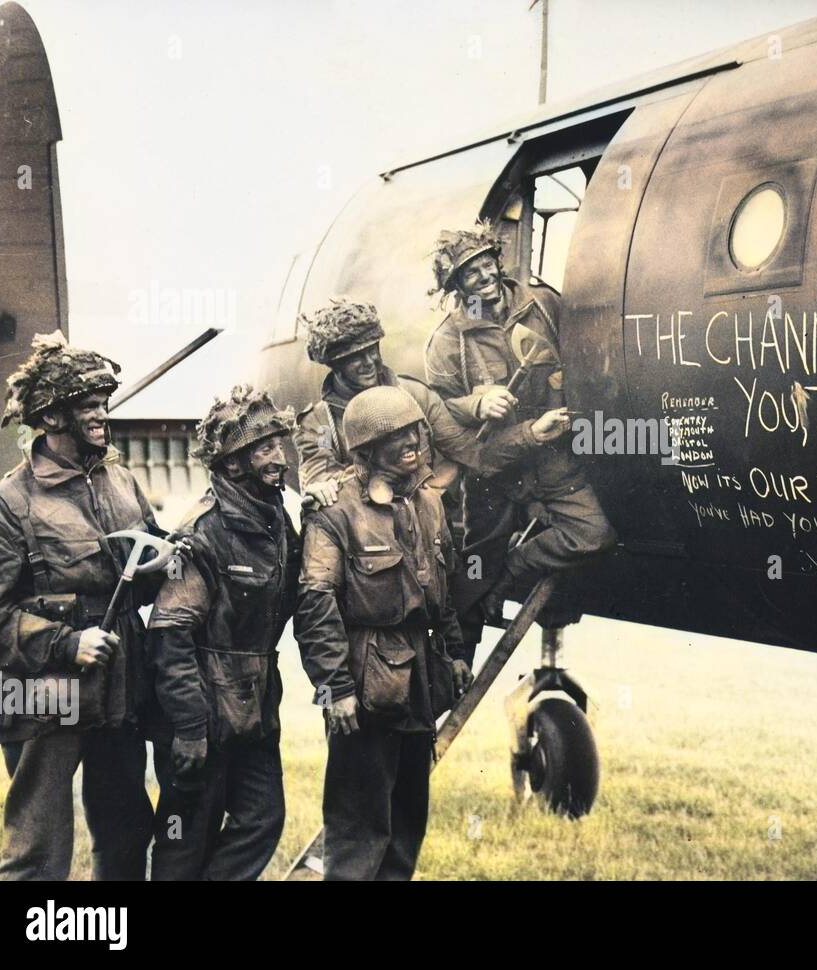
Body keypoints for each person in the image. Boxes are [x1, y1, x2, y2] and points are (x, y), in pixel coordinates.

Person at [0, 331, 159, 880]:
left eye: (104, 403)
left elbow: (143, 558)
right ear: (51, 419)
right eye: (88, 407)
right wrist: (65, 642)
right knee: (38, 848)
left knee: (128, 832)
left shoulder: (120, 479)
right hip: (41, 694)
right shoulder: (6, 506)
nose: (103, 415)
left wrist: (165, 560)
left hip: (118, 684)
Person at [293, 385, 471, 880]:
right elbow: (315, 605)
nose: (412, 442)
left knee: (407, 823)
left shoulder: (428, 502)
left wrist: (454, 652)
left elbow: (441, 588)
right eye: (395, 436)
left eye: (414, 430)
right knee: (358, 827)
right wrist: (337, 689)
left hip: (418, 682)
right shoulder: (336, 514)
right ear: (366, 451)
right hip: (365, 686)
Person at [423, 224, 615, 665]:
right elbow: (443, 415)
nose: (485, 276)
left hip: (553, 460)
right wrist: (478, 403)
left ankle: (515, 569)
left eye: (487, 263)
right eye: (471, 273)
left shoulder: (542, 304)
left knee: (594, 533)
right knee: (472, 576)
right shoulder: (446, 342)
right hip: (493, 474)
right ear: (457, 286)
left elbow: (583, 355)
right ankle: (454, 669)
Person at [147, 386, 299, 880]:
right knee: (184, 840)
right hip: (203, 712)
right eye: (264, 449)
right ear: (232, 465)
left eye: (279, 444)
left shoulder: (276, 518)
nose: (279, 457)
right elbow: (169, 635)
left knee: (263, 818)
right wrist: (190, 730)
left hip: (254, 709)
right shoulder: (202, 532)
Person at [293, 297, 570, 509]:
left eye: (372, 350)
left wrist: (530, 433)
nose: (369, 363)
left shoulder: (416, 396)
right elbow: (320, 476)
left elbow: (473, 453)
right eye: (355, 357)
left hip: (426, 534)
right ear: (334, 364)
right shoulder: (321, 424)